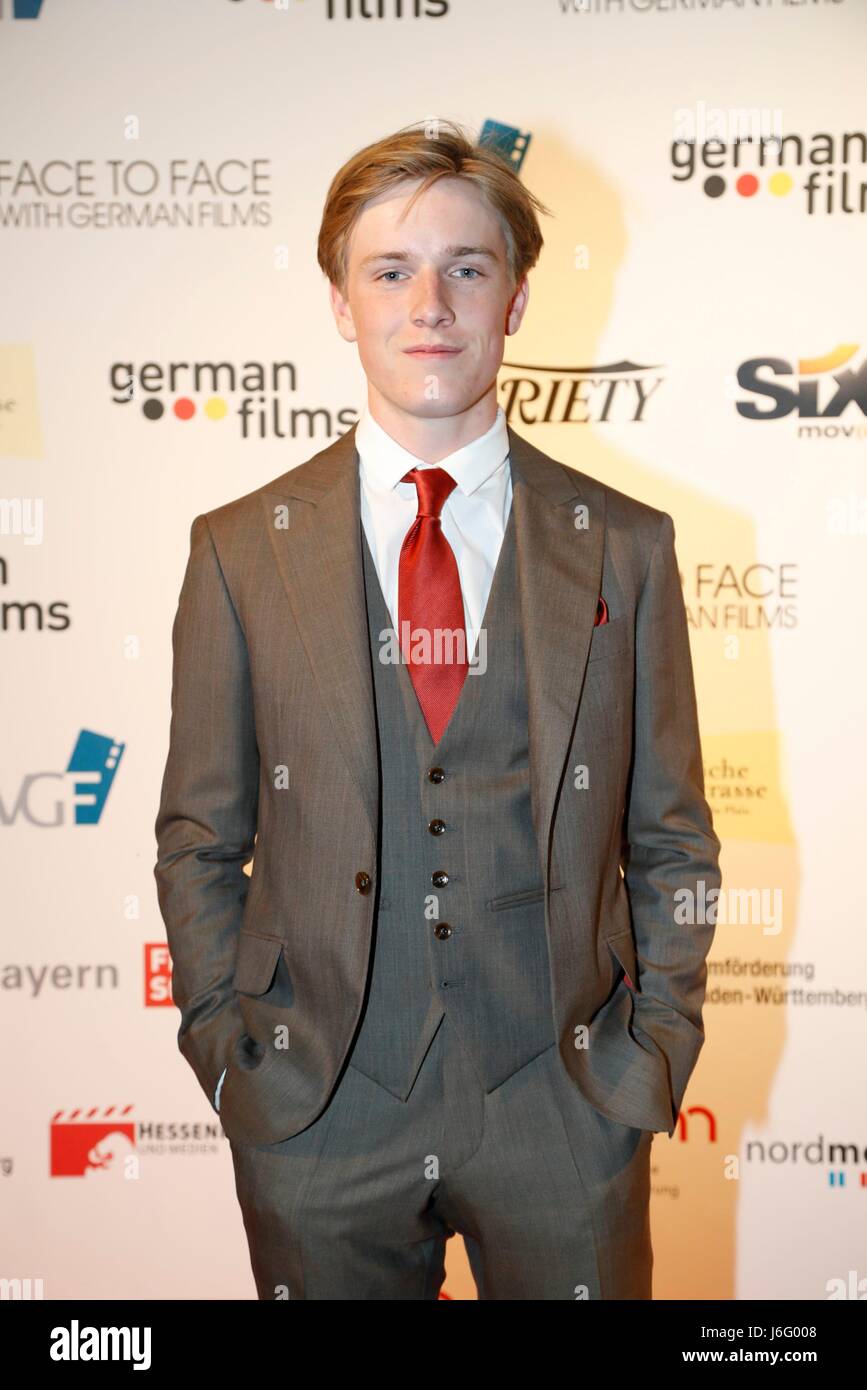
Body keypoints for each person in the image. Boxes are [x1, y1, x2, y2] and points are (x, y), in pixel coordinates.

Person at [153, 118, 722, 1300]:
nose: (431, 304)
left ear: (514, 300)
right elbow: (201, 836)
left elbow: (674, 836)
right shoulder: (238, 552)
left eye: (468, 267)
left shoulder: (629, 547)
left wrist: (650, 1053)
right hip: (318, 1111)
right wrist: (227, 1049)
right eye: (391, 270)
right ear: (338, 299)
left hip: (563, 1107)